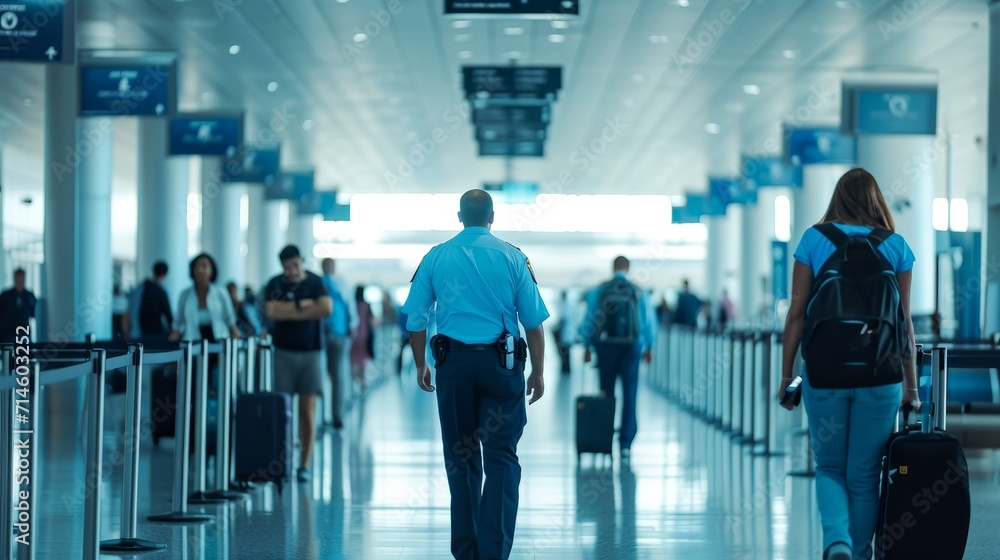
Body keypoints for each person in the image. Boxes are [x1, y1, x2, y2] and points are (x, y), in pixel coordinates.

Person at [778, 168, 920, 560]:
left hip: (825, 373)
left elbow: (796, 314)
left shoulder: (814, 239)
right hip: (881, 374)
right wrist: (911, 387)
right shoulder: (896, 246)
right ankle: (858, 554)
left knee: (829, 468)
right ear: (877, 200)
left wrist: (787, 375)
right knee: (864, 475)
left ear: (837, 198)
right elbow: (904, 323)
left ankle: (836, 542)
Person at [402, 189, 548, 560]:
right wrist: (538, 371)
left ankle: (467, 552)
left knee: (462, 458)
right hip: (502, 368)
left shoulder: (435, 257)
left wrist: (420, 364)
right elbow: (533, 323)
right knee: (502, 457)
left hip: (454, 368)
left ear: (459, 217)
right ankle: (493, 552)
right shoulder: (513, 257)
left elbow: (416, 319)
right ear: (492, 217)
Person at [262, 245, 332, 483]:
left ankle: (304, 464)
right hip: (283, 353)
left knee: (307, 411)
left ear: (302, 261)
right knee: (283, 411)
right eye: (286, 267)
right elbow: (272, 312)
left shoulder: (315, 282)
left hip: (311, 353)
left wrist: (290, 310)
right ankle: (282, 463)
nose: (291, 271)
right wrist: (308, 307)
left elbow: (326, 308)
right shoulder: (275, 284)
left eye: (295, 266)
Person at [579, 256, 655, 461]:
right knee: (630, 393)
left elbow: (590, 318)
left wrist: (587, 345)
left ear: (612, 268)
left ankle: (604, 439)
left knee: (606, 392)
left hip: (605, 346)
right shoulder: (637, 291)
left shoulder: (600, 290)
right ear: (627, 269)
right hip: (632, 347)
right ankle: (626, 444)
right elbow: (647, 320)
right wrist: (649, 346)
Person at [170, 254, 241, 342]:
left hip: (219, 341)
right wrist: (169, 344)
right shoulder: (185, 295)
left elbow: (230, 320)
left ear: (212, 270)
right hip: (192, 342)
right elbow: (178, 324)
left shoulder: (221, 292)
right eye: (197, 266)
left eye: (204, 266)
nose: (200, 270)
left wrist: (236, 337)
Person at [321, 257, 357, 430]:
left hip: (334, 336)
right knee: (334, 377)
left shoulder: (326, 284)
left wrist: (350, 328)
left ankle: (333, 415)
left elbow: (351, 310)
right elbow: (351, 310)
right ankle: (331, 416)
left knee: (334, 377)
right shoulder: (340, 285)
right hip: (332, 335)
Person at [123, 261, 172, 340]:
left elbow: (127, 313)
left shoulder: (139, 289)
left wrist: (126, 333)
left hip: (137, 333)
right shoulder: (161, 291)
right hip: (155, 335)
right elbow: (168, 315)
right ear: (165, 275)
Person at [0, 269, 36, 344]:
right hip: (8, 334)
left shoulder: (29, 296)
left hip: (24, 332)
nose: (20, 281)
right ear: (14, 278)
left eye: (22, 278)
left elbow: (33, 314)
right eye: (18, 278)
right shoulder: (5, 296)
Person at [349, 285, 375, 389]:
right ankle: (363, 381)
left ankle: (353, 382)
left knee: (352, 359)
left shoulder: (353, 304)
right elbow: (372, 319)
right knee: (363, 359)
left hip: (353, 335)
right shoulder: (367, 305)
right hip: (365, 334)